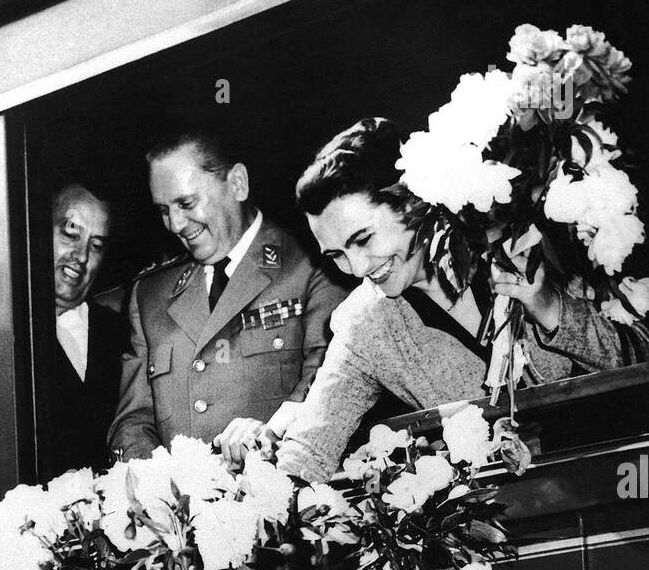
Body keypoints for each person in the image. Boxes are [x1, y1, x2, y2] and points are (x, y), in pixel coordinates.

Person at [217, 118, 649, 481]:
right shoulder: (365, 324)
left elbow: (638, 355)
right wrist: (248, 504)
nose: (357, 267)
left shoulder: (527, 235)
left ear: (410, 203)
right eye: (337, 255)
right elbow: (312, 446)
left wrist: (551, 309)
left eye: (363, 239)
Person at [106, 128, 345, 459]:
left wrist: (271, 437)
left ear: (237, 184)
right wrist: (162, 489)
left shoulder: (313, 263)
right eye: (163, 210)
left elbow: (333, 388)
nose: (175, 225)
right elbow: (132, 423)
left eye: (186, 203)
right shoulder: (149, 295)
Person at [50, 182, 128, 473]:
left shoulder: (124, 333)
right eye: (71, 233)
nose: (81, 256)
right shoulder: (1, 332)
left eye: (96, 246)